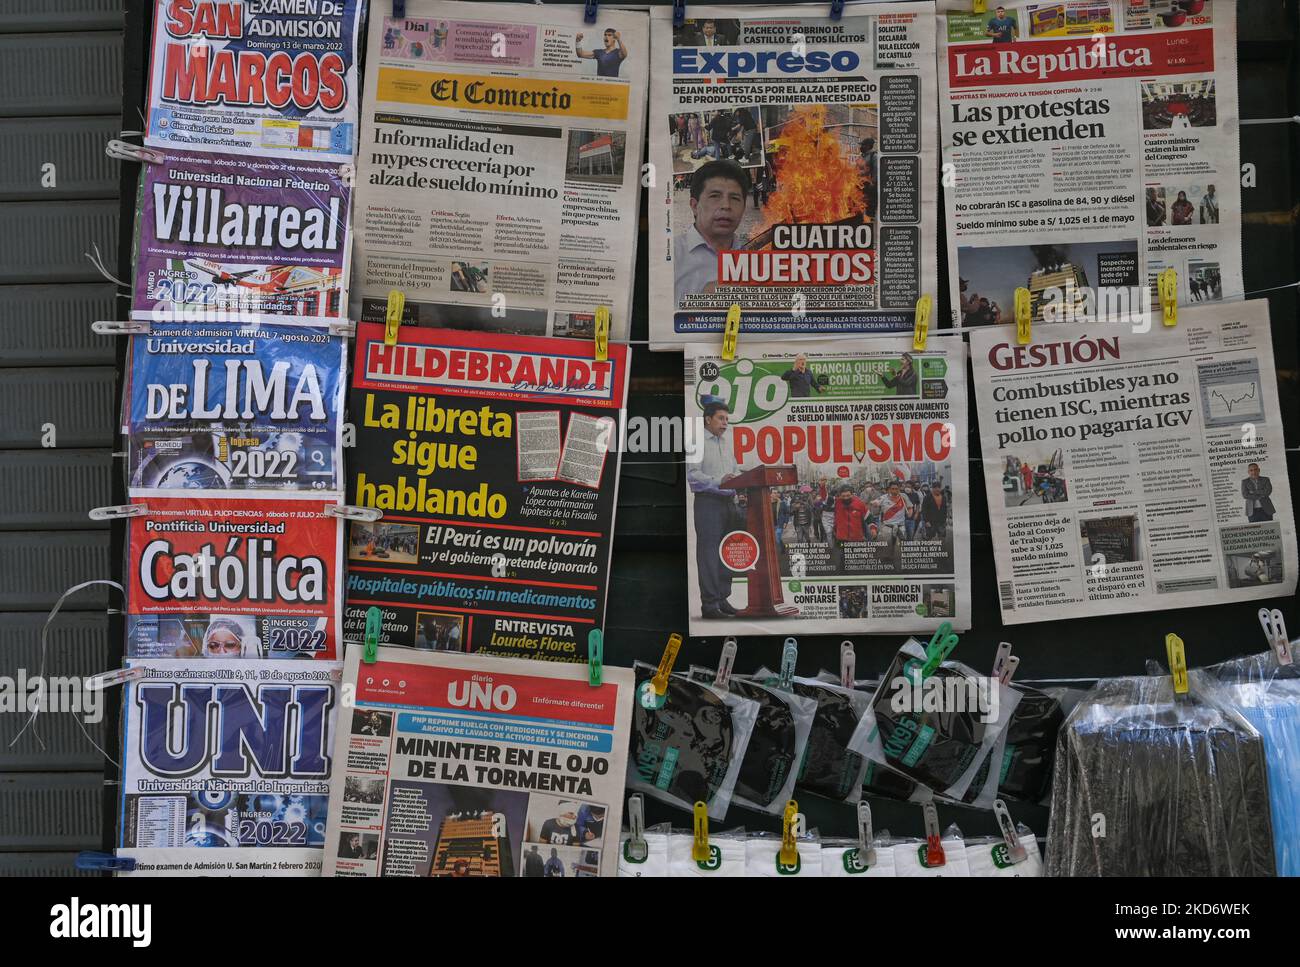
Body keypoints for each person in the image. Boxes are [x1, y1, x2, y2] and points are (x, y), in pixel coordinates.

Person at [688, 397, 741, 619]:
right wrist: (720, 481)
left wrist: (737, 481)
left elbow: (735, 470)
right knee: (709, 554)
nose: (725, 422)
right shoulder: (696, 442)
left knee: (726, 551)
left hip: (728, 503)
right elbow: (692, 476)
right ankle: (709, 605)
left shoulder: (726, 444)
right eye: (721, 418)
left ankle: (722, 598)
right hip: (708, 503)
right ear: (708, 419)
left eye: (727, 419)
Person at [674, 161, 751, 304]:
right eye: (715, 196)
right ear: (695, 206)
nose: (726, 206)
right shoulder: (671, 255)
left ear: (744, 207)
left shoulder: (755, 262)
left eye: (734, 198)